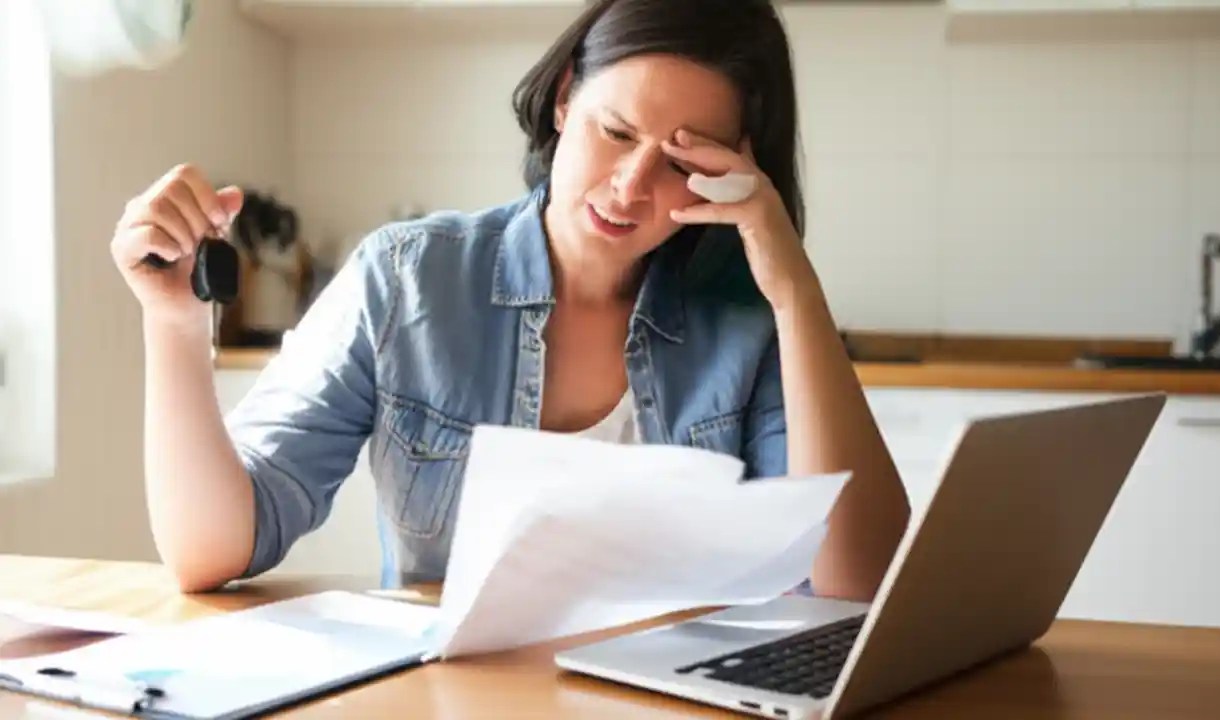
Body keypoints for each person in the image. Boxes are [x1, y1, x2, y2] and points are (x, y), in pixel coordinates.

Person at [109, 0, 910, 597]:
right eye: (616, 132)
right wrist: (174, 320)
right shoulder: (407, 280)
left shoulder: (746, 320)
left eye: (680, 160)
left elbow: (857, 580)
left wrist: (795, 290)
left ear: (734, 169)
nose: (629, 189)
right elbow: (209, 551)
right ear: (565, 99)